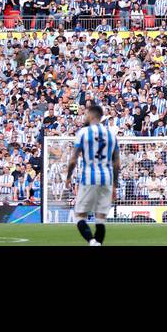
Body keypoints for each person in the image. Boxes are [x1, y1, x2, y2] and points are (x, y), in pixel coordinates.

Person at [65, 102, 120, 246]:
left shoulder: (83, 132)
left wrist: (68, 177)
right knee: (100, 218)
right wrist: (115, 185)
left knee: (79, 216)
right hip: (107, 178)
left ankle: (91, 241)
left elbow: (73, 159)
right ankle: (98, 243)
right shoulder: (111, 134)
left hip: (89, 176)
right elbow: (117, 163)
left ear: (90, 116)